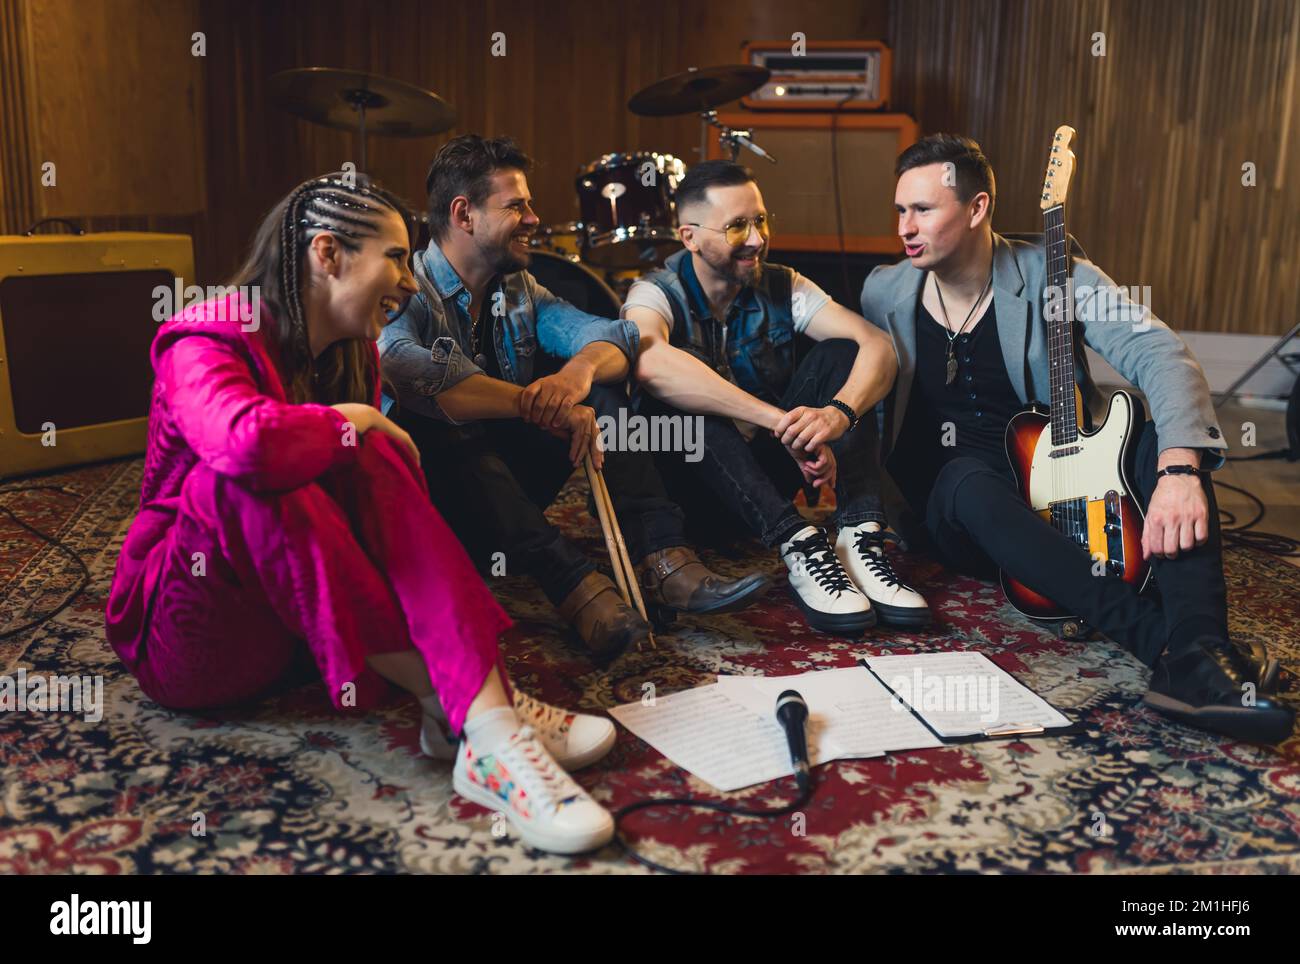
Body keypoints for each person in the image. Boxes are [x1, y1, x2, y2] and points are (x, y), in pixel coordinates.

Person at [105, 174, 617, 854]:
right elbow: (246, 444)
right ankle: (465, 709)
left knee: (370, 451)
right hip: (187, 645)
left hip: (296, 641)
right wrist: (352, 418)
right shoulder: (203, 333)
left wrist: (357, 423)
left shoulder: (351, 357)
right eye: (399, 257)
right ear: (328, 254)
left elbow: (384, 506)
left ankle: (482, 718)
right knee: (240, 478)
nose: (411, 283)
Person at [861, 133, 1290, 744]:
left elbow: (1158, 351)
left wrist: (1179, 469)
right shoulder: (885, 291)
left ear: (977, 208)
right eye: (900, 210)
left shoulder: (1050, 273)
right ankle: (1160, 647)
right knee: (965, 479)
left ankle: (1200, 649)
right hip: (960, 517)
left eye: (923, 209)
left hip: (1067, 490)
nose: (905, 226)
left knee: (1149, 438)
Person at [380, 136, 769, 663]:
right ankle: (573, 586)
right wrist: (531, 402)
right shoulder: (407, 289)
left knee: (601, 388)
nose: (535, 218)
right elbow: (411, 374)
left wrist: (575, 377)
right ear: (463, 215)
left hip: (513, 502)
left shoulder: (517, 289)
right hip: (441, 511)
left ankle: (662, 561)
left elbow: (616, 336)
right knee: (445, 425)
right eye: (516, 206)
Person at [623, 160, 931, 636]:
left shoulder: (783, 284)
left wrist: (835, 414)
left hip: (765, 478)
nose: (757, 238)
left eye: (761, 219)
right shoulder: (654, 292)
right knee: (681, 397)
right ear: (688, 236)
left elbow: (877, 347)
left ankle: (858, 539)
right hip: (695, 497)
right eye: (736, 226)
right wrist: (780, 422)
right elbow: (650, 363)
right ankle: (800, 542)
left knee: (840, 353)